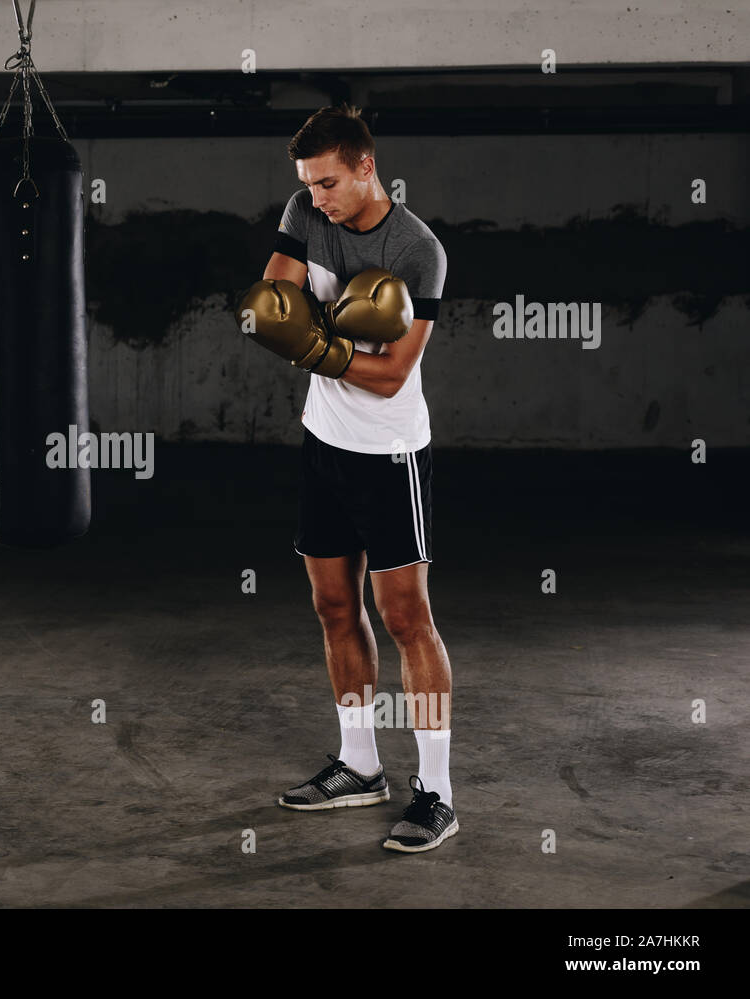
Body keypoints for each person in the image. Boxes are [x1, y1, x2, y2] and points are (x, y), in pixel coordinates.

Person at [238, 104, 455, 852]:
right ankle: (361, 764)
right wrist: (319, 332)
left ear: (367, 167)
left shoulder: (419, 251)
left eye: (328, 182)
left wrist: (311, 334)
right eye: (308, 184)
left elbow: (392, 376)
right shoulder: (305, 209)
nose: (317, 197)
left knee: (406, 619)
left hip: (391, 452)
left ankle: (437, 792)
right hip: (323, 441)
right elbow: (272, 302)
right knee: (334, 607)